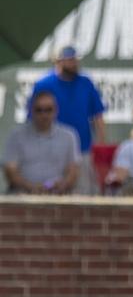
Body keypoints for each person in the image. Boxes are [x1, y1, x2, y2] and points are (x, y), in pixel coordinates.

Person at [29, 45, 106, 194]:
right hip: (51, 150)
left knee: (82, 193)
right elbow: (33, 117)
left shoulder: (85, 82)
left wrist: (100, 145)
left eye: (74, 60)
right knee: (51, 192)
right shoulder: (44, 84)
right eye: (69, 60)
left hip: (82, 149)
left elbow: (97, 116)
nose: (73, 63)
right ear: (58, 61)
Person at [2, 91, 80, 194]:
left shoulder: (69, 136)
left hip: (58, 195)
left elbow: (73, 170)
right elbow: (10, 170)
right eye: (39, 110)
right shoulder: (16, 135)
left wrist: (62, 185)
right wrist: (31, 187)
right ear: (31, 111)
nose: (44, 115)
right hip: (23, 194)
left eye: (48, 110)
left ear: (56, 110)